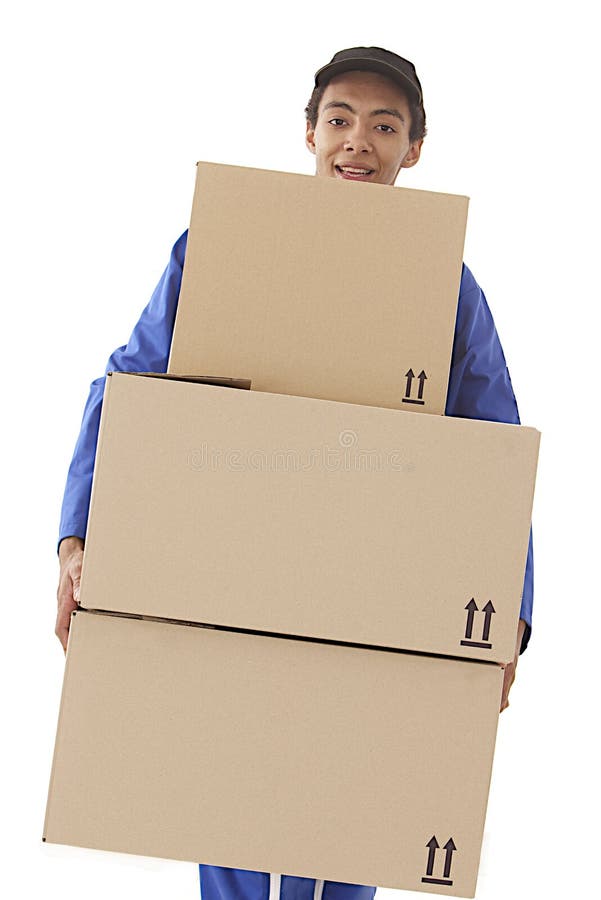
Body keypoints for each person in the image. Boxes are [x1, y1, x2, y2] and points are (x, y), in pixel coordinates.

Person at [54, 47, 534, 900]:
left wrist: (508, 620)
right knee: (231, 804)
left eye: (384, 126)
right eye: (341, 119)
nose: (359, 141)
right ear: (308, 132)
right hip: (232, 571)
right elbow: (129, 383)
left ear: (412, 149)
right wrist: (76, 536)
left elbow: (494, 454)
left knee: (349, 822)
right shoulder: (224, 245)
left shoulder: (446, 288)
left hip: (372, 583)